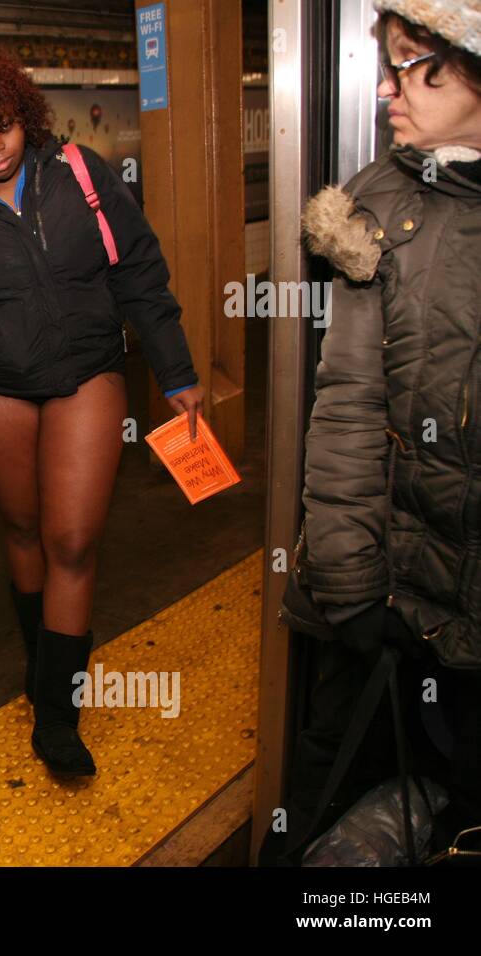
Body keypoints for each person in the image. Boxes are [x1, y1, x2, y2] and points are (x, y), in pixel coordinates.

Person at [0, 49, 202, 778]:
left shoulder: (80, 172)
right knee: (24, 526)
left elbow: (138, 269)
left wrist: (177, 369)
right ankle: (43, 660)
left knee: (71, 540)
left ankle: (56, 715)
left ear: (23, 118)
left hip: (86, 375)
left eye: (2, 126)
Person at [278, 0, 481, 859]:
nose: (389, 86)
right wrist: (353, 586)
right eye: (390, 64)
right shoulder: (381, 206)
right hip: (387, 603)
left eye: (411, 64)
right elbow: (349, 407)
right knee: (335, 808)